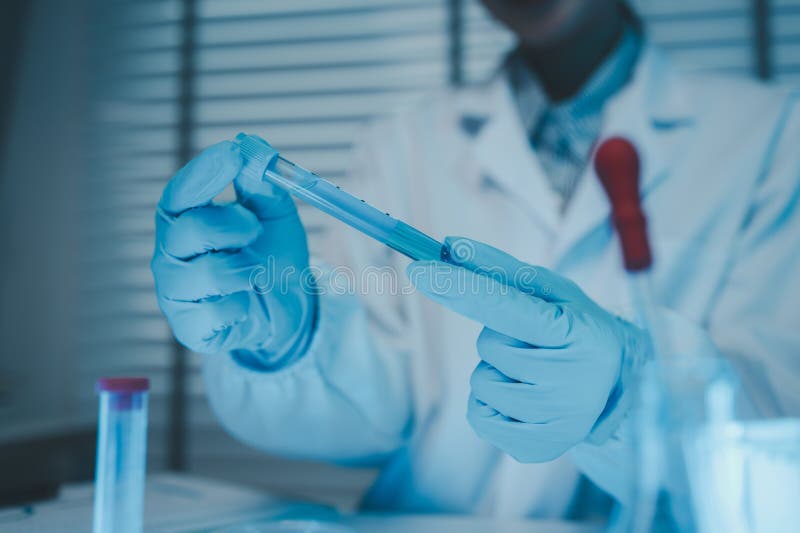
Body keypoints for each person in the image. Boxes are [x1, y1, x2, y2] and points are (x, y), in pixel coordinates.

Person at [151, 0, 800, 520]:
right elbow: (371, 411)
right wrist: (291, 334)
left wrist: (629, 387)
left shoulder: (771, 135)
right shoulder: (401, 143)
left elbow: (779, 418)